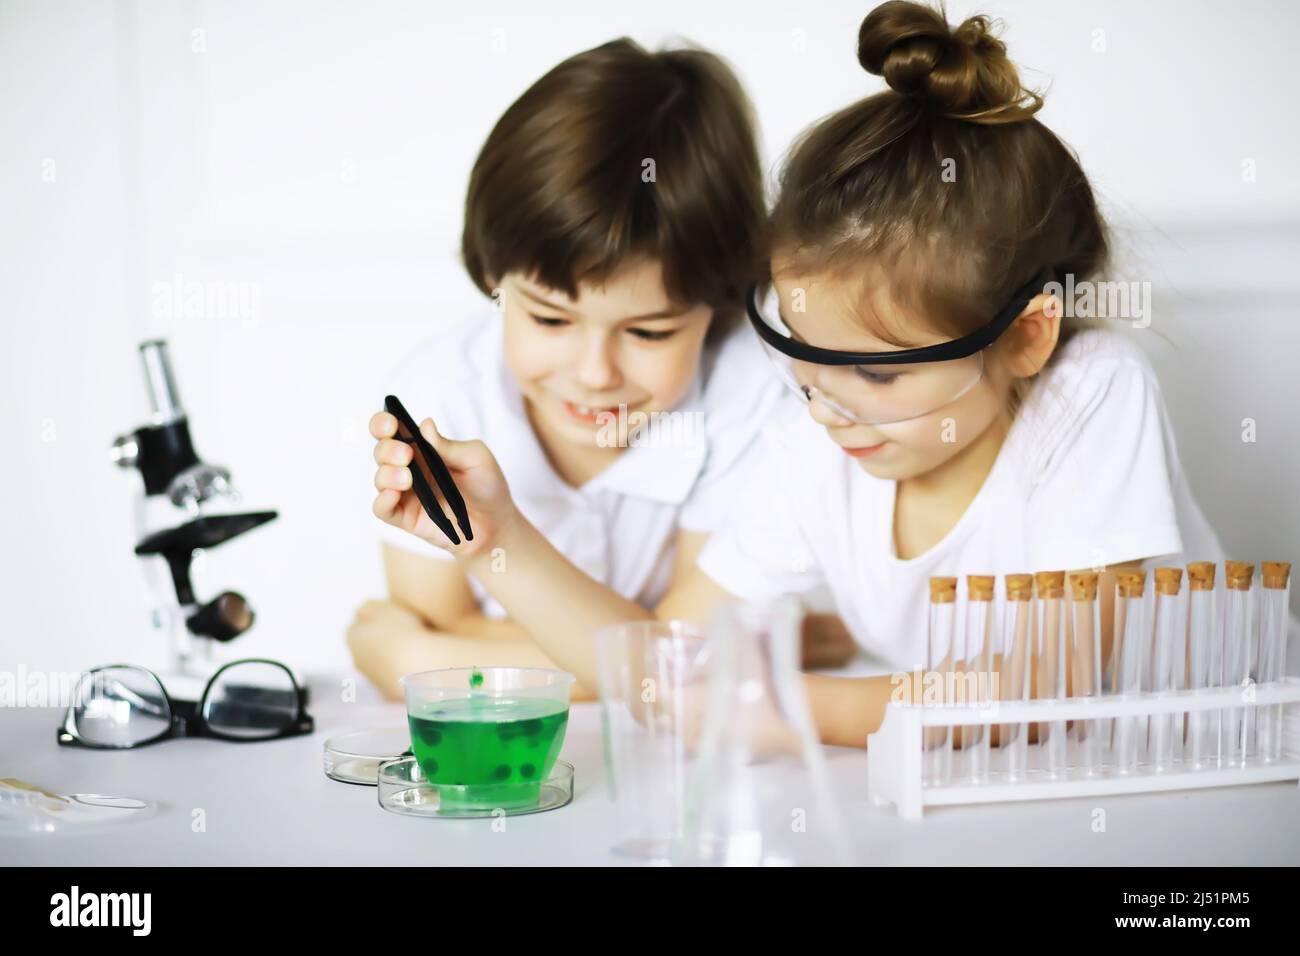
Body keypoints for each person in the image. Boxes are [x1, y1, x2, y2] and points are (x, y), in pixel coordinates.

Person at [370, 3, 1223, 743]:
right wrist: (500, 543)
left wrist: (777, 704)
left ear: (1029, 337)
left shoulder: (1089, 394)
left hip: (1211, 761)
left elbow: (1053, 688)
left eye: (878, 376)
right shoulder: (811, 443)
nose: (829, 410)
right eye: (805, 363)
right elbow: (663, 666)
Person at [352, 38, 856, 701]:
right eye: (550, 320)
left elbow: (679, 666)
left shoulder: (752, 394)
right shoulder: (441, 393)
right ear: (492, 277)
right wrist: (737, 643)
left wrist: (416, 658)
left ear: (723, 304)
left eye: (649, 331)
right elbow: (677, 659)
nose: (594, 373)